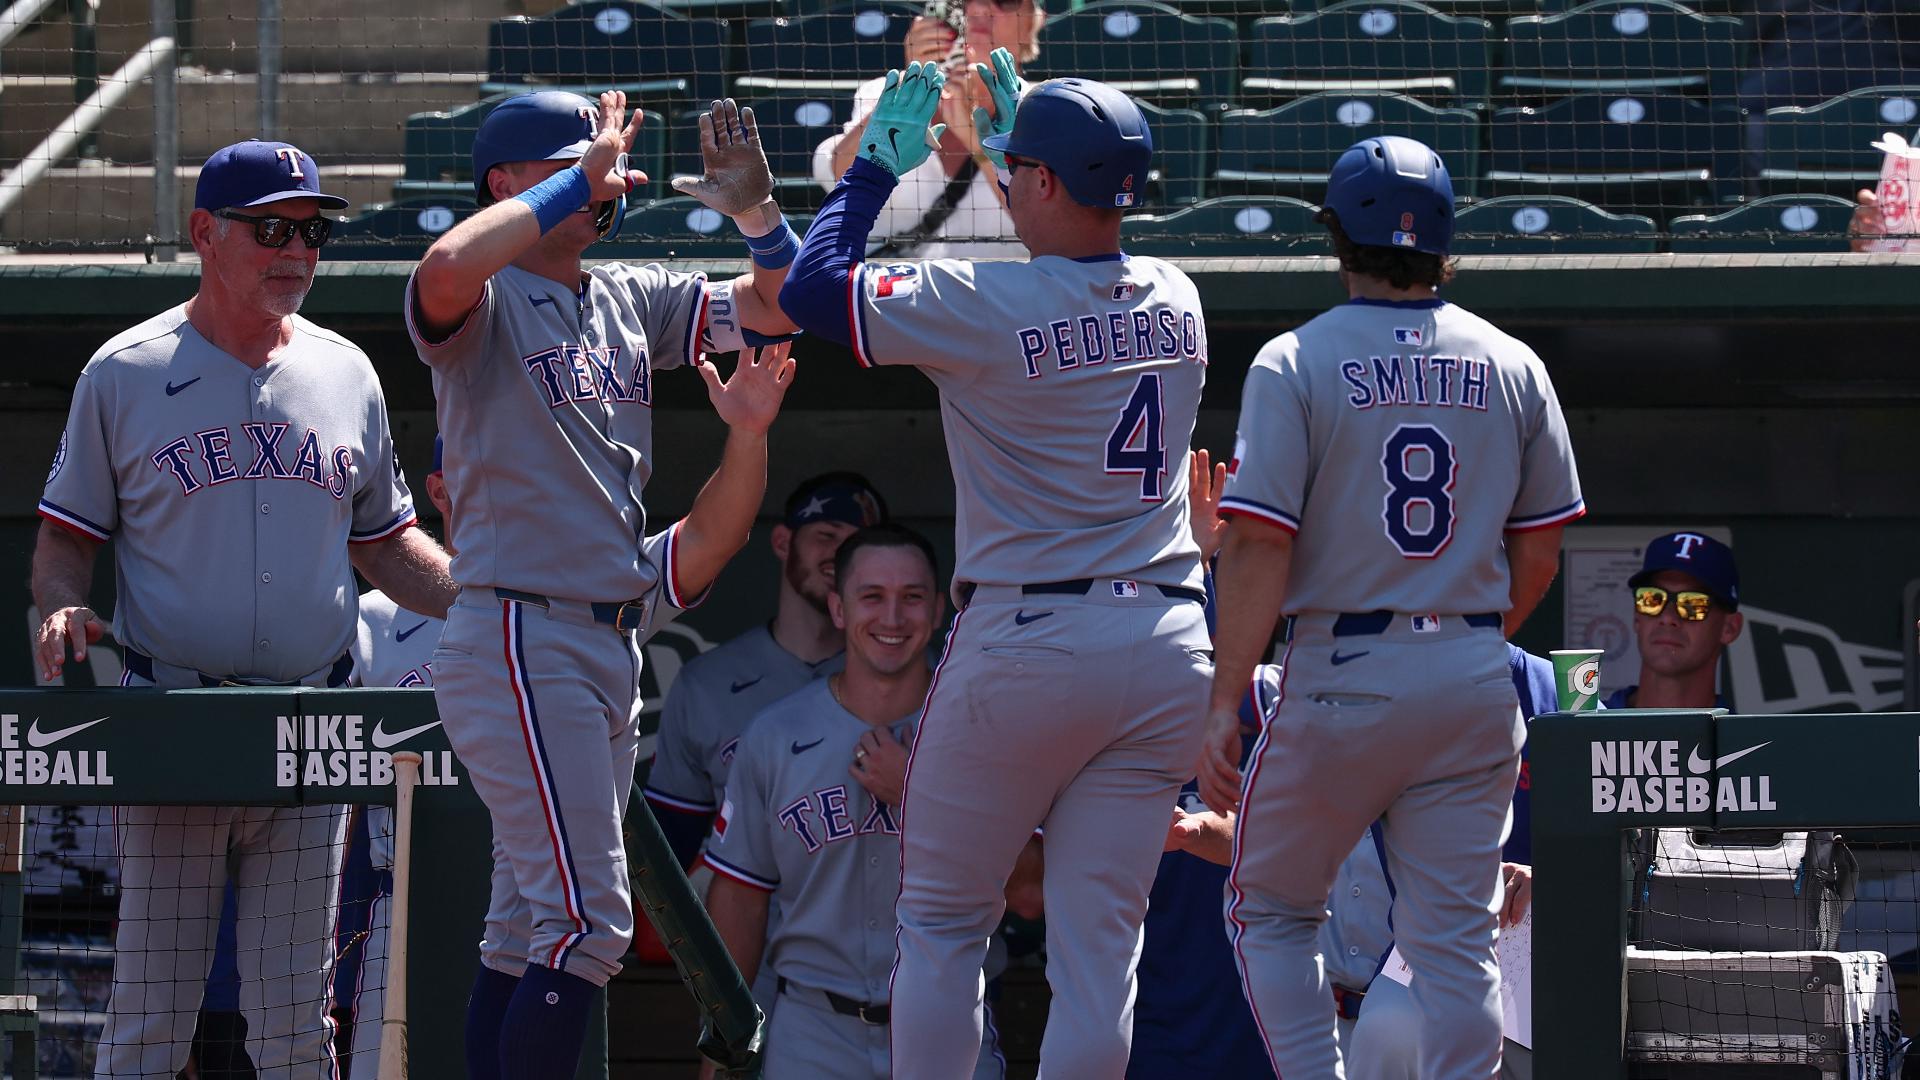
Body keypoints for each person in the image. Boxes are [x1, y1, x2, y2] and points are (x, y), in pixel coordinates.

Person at [781, 61, 1214, 1077]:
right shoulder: (1178, 294)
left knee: (938, 923)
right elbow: (1069, 239)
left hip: (1030, 636)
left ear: (1053, 184)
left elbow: (813, 286)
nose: (1004, 180)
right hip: (1162, 642)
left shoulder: (986, 300)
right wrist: (1028, 151)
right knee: (1101, 957)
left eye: (1019, 168)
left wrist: (880, 164)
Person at [30, 138, 456, 1078]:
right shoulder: (126, 371)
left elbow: (382, 541)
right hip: (180, 725)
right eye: (273, 229)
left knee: (296, 1027)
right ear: (204, 235)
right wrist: (60, 605)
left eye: (312, 231)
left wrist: (482, 607)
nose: (298, 250)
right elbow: (67, 537)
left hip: (312, 724)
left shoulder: (348, 372)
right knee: (152, 1019)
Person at [406, 82, 804, 1078]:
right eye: (578, 162)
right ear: (505, 181)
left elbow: (780, 303)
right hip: (519, 626)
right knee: (589, 925)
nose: (608, 178)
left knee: (525, 926)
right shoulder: (485, 300)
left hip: (604, 635)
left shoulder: (628, 293)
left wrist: (758, 216)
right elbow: (445, 265)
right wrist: (568, 184)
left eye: (610, 164)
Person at [1202, 135, 1583, 1078]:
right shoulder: (1513, 361)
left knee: (1271, 909)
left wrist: (1224, 694)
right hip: (1468, 668)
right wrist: (1463, 641)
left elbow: (1257, 542)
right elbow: (1540, 547)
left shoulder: (1295, 359)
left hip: (1342, 668)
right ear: (1444, 240)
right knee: (1456, 943)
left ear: (1337, 235)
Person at [698, 524, 1004, 1079]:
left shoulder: (980, 730)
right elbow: (741, 900)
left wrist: (916, 793)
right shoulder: (774, 735)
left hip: (946, 1022)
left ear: (939, 611)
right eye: (871, 597)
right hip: (812, 1030)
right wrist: (719, 1050)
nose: (891, 618)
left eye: (911, 598)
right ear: (838, 608)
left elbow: (1029, 889)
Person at [644, 471, 890, 867]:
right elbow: (668, 850)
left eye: (859, 543)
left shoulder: (916, 682)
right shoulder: (706, 684)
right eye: (826, 535)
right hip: (740, 919)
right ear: (783, 542)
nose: (842, 554)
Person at [331, 433, 456, 1074]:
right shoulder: (370, 621)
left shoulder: (558, 608)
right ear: (436, 488)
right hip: (400, 899)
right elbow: (328, 806)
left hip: (527, 900)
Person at [814, 0, 1046, 257]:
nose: (978, 8)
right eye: (964, 0)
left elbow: (1046, 226)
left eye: (1005, 0)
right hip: (890, 288)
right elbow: (839, 178)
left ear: (1034, 21)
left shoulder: (1047, 109)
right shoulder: (882, 93)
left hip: (1001, 291)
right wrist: (912, 86)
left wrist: (976, 144)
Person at [1602, 531, 1743, 710]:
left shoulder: (1742, 737)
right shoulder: (1587, 731)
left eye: (1692, 603)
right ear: (1637, 616)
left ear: (1729, 628)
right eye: (1653, 599)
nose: (1667, 618)